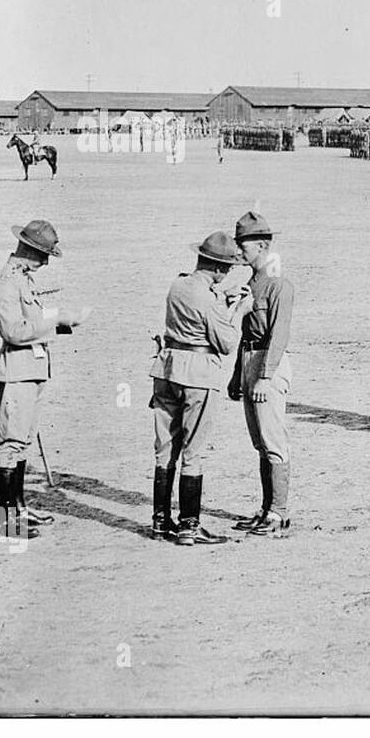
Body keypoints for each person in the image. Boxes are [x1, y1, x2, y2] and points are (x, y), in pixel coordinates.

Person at [150, 231, 249, 545]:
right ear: (219, 269)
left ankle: (160, 521)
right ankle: (189, 526)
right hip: (198, 373)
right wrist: (238, 311)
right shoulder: (209, 298)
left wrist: (223, 300)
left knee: (165, 450)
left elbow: (200, 309)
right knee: (194, 453)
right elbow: (227, 343)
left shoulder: (178, 284)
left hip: (166, 369)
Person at [0, 220, 83, 540]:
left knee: (23, 441)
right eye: (43, 255)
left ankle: (20, 508)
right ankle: (7, 519)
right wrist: (55, 323)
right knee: (10, 443)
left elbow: (32, 321)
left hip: (32, 370)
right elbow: (14, 332)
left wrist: (62, 320)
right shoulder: (5, 284)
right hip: (16, 372)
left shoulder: (23, 280)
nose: (45, 262)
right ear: (28, 250)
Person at [227, 212, 296, 536]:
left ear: (263, 245)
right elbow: (245, 332)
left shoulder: (279, 284)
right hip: (249, 360)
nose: (239, 251)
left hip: (269, 363)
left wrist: (265, 376)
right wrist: (237, 374)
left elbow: (279, 334)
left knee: (273, 441)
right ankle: (266, 507)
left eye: (245, 245)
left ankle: (278, 513)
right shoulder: (251, 283)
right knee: (260, 443)